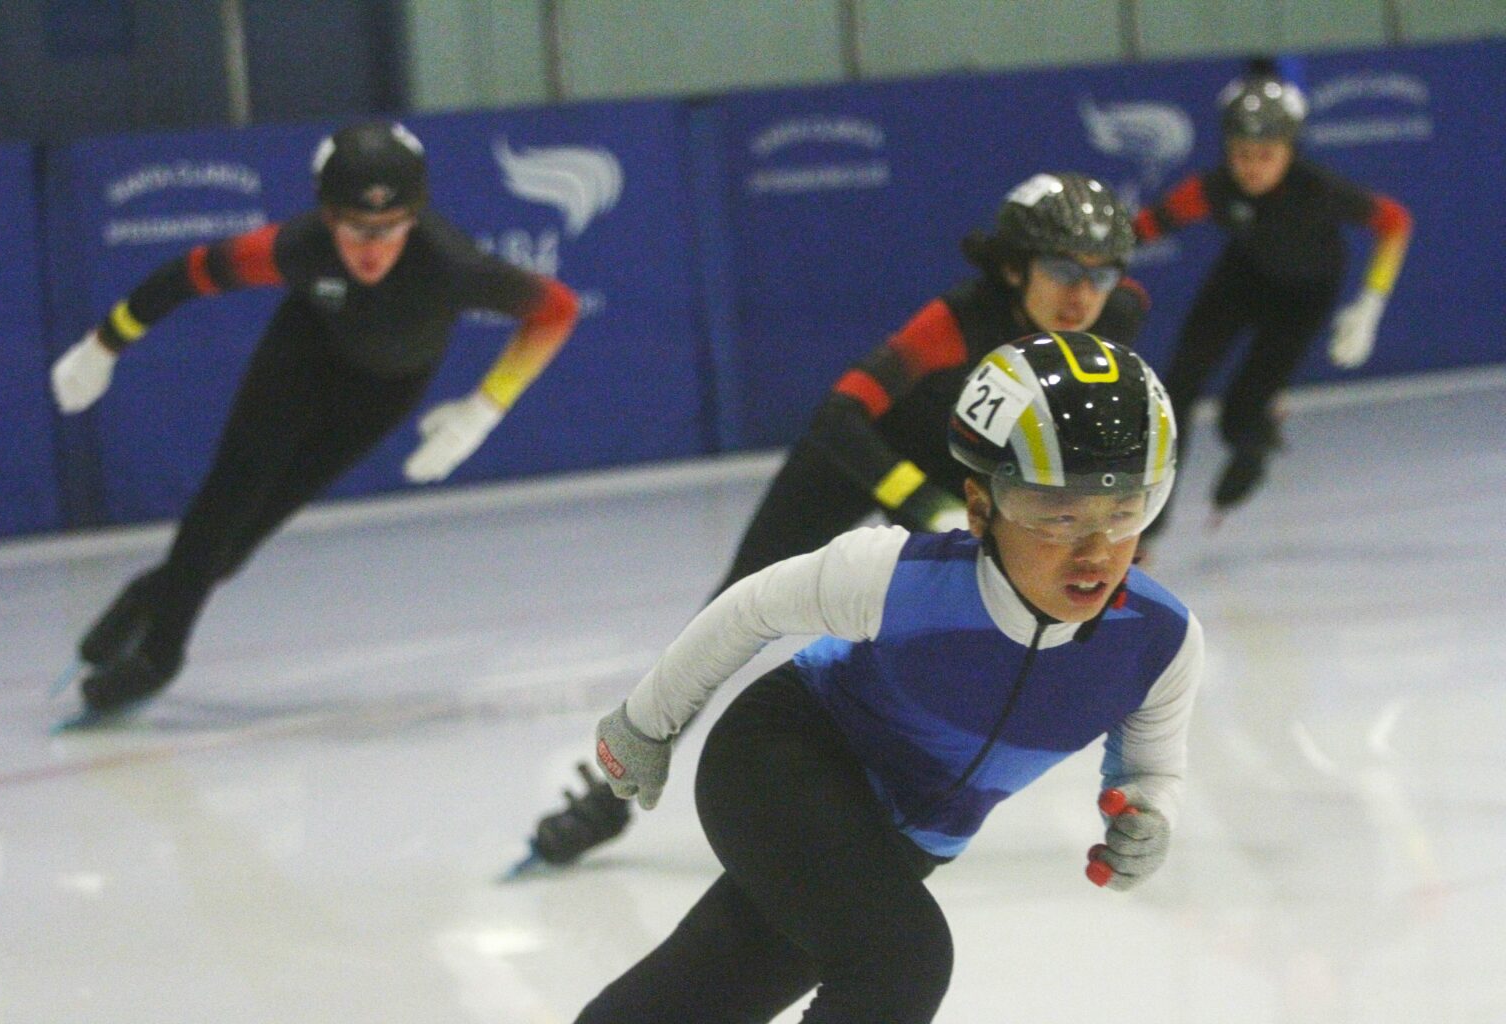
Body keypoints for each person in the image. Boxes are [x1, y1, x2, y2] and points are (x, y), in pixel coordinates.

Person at [527, 171, 1151, 867]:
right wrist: (920, 501)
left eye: (1103, 275)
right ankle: (611, 795)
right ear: (1013, 266)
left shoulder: (1117, 319)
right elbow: (841, 415)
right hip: (863, 454)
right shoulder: (954, 324)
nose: (1083, 294)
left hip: (967, 473)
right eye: (1064, 269)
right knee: (740, 598)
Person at [576, 332, 1204, 1023]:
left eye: (1124, 513)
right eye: (1057, 516)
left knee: (710, 987)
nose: (1096, 551)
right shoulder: (900, 578)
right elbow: (751, 607)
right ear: (979, 507)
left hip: (902, 842)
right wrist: (645, 722)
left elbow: (1151, 770)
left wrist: (1149, 818)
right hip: (780, 760)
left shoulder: (1161, 641)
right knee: (901, 963)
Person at [49, 121, 580, 718]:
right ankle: (160, 655)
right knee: (225, 499)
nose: (371, 247)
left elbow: (556, 310)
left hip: (383, 390)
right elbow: (188, 275)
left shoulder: (451, 266)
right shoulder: (299, 248)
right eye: (355, 228)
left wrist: (484, 410)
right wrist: (103, 345)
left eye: (390, 226)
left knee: (239, 540)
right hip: (302, 353)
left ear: (415, 217)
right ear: (328, 217)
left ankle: (147, 595)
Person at [1133, 60, 1412, 537]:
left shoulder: (1319, 190)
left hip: (1304, 297)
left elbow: (1395, 223)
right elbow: (1143, 229)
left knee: (1237, 418)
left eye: (1266, 154)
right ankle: (1147, 529)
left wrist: (1371, 304)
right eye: (1240, 154)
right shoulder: (1213, 189)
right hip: (1242, 278)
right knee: (1175, 389)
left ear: (1290, 150)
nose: (1251, 167)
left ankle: (1256, 448)